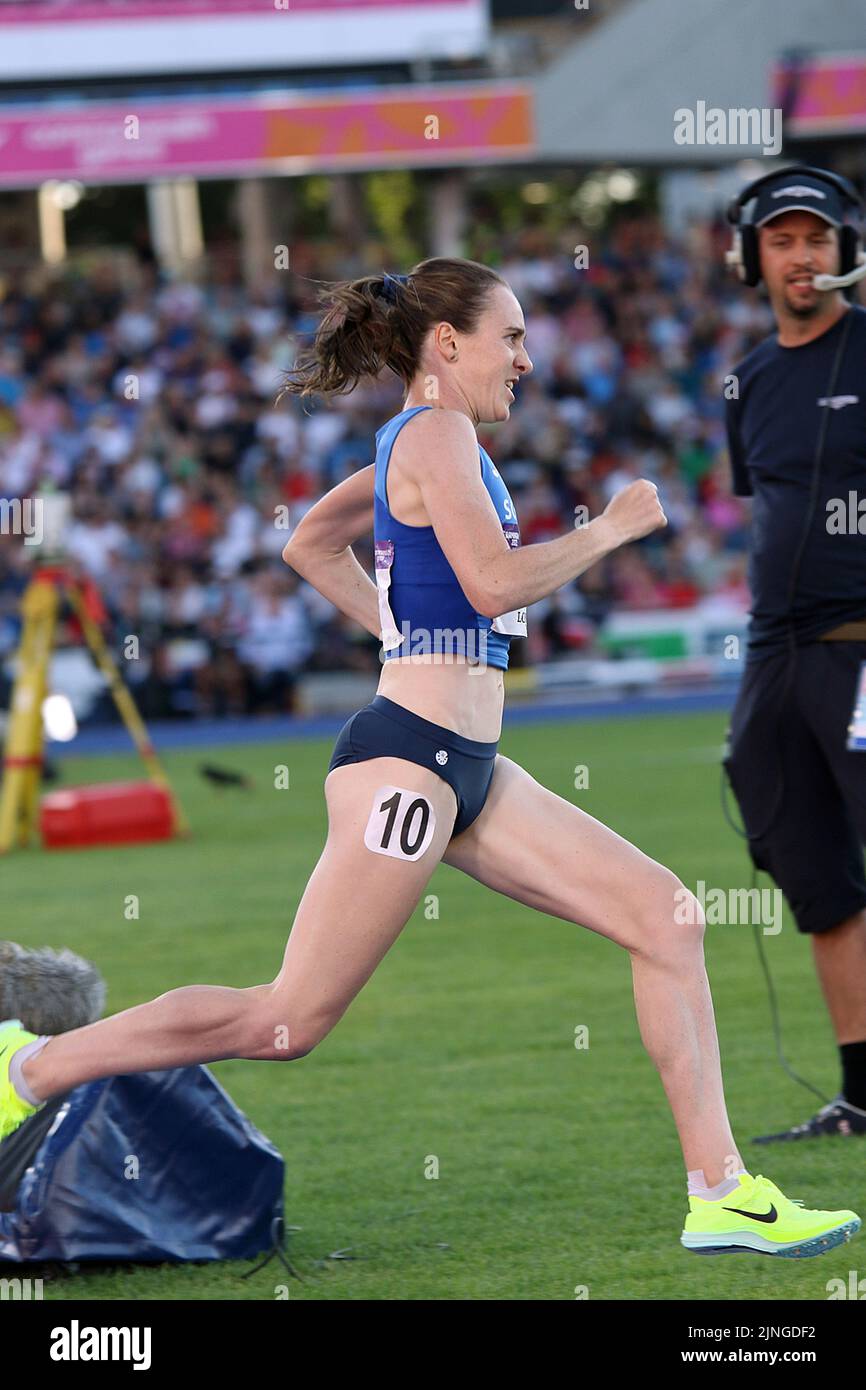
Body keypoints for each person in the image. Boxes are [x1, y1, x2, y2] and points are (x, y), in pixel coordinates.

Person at [1, 258, 859, 1261]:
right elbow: (493, 586)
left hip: (469, 767)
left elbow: (310, 546)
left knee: (663, 914)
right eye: (511, 338)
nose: (527, 360)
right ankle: (30, 1064)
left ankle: (719, 1193)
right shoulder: (436, 432)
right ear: (445, 345)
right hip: (406, 765)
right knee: (289, 1017)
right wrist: (613, 527)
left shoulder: (426, 444)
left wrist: (400, 633)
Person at [723, 168, 866, 1142]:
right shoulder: (749, 378)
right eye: (779, 240)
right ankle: (860, 1096)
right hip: (773, 658)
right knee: (815, 880)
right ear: (751, 258)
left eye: (815, 238)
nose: (799, 256)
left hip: (861, 645)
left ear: (843, 249)